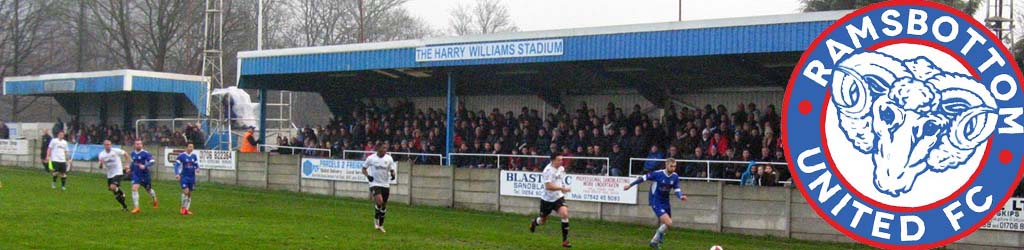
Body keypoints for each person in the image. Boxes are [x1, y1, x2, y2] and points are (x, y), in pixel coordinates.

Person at [623, 159, 687, 249]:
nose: (673, 168)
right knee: (668, 222)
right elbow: (643, 178)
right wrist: (630, 185)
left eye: (674, 166)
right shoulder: (657, 174)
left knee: (666, 224)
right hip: (655, 200)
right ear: (666, 165)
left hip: (665, 201)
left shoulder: (675, 176)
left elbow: (677, 189)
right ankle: (659, 236)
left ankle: (654, 242)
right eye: (671, 166)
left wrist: (681, 196)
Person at [528, 153, 573, 248]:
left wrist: (563, 188)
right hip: (547, 199)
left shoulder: (561, 168)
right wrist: (562, 188)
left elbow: (560, 180)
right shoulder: (547, 171)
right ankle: (534, 222)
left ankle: (565, 241)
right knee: (543, 220)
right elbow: (548, 186)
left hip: (558, 197)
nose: (561, 161)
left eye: (562, 159)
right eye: (559, 160)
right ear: (553, 160)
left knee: (564, 214)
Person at [362, 143, 396, 233]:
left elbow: (392, 169)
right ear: (378, 149)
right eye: (383, 148)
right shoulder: (371, 158)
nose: (385, 149)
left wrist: (393, 174)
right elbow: (363, 169)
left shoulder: (389, 158)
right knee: (380, 201)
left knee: (383, 205)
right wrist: (368, 176)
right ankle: (377, 219)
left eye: (386, 148)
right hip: (375, 183)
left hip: (385, 184)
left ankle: (380, 224)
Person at [97, 140, 130, 211]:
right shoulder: (101, 154)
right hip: (110, 175)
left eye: (109, 144)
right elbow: (100, 167)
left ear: (111, 145)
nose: (108, 146)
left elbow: (126, 154)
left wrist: (127, 165)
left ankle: (121, 192)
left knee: (113, 187)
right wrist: (101, 164)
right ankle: (125, 207)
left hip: (118, 172)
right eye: (106, 145)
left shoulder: (116, 151)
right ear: (104, 146)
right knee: (115, 194)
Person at [129, 140, 158, 214]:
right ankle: (136, 207)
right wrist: (130, 168)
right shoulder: (133, 153)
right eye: (137, 144)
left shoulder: (145, 153)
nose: (138, 145)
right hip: (136, 175)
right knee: (134, 189)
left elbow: (152, 161)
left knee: (148, 190)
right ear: (134, 145)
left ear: (142, 145)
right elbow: (133, 163)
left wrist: (145, 166)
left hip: (145, 175)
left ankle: (154, 199)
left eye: (140, 144)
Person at [174, 143, 200, 215]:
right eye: (190, 147)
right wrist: (177, 174)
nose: (191, 148)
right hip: (184, 177)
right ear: (186, 147)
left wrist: (197, 168)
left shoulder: (194, 156)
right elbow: (176, 165)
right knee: (186, 191)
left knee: (189, 194)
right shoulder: (181, 156)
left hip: (192, 177)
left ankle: (186, 209)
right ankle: (182, 208)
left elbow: (196, 164)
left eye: (192, 147)